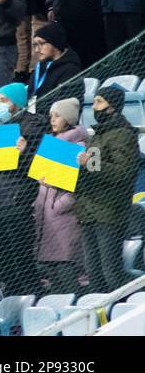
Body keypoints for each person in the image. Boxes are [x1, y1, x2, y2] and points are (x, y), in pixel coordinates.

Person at [74, 85, 141, 293]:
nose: (94, 106)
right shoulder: (97, 135)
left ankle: (128, 308)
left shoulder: (123, 134)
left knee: (110, 271)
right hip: (89, 211)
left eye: (99, 101)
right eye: (94, 101)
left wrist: (89, 163)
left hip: (109, 212)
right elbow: (92, 170)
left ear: (112, 106)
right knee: (94, 273)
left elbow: (123, 172)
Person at [33, 98, 89, 296]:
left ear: (68, 118)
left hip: (63, 219)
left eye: (57, 115)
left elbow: (81, 184)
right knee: (54, 280)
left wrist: (58, 205)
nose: (52, 120)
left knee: (67, 276)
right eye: (51, 116)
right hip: (47, 218)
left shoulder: (80, 145)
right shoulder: (51, 143)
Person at [28, 23, 83, 105]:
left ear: (55, 43)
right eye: (35, 45)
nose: (37, 50)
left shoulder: (70, 70)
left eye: (42, 43)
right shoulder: (40, 67)